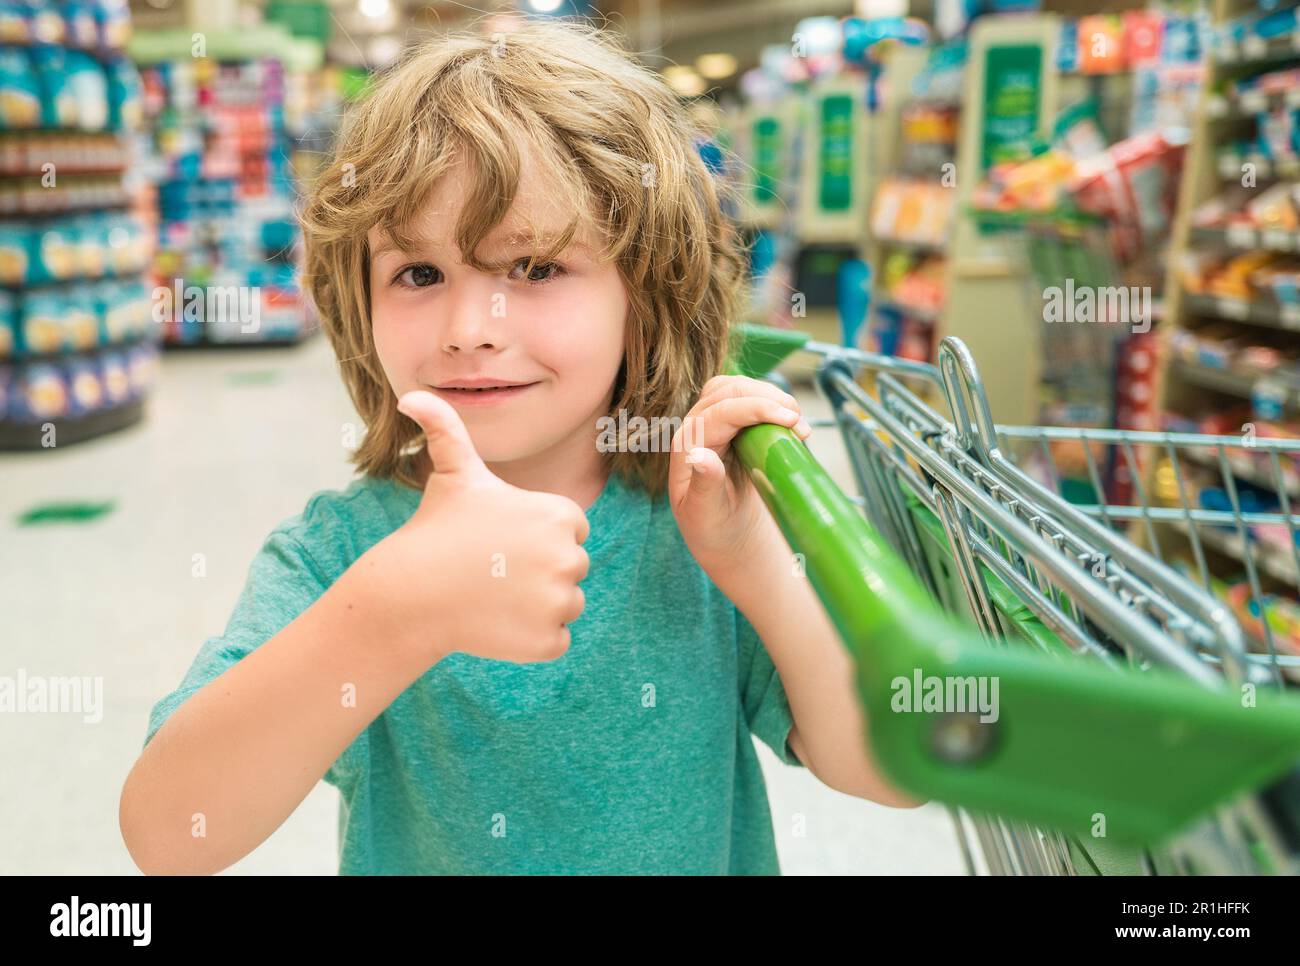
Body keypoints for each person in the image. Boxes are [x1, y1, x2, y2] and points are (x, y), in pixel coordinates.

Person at [119, 16, 917, 877]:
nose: (470, 329)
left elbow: (891, 770)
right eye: (418, 275)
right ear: (357, 304)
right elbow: (172, 837)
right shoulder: (341, 557)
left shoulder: (706, 527)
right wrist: (392, 616)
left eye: (534, 268)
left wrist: (756, 560)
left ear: (644, 296)